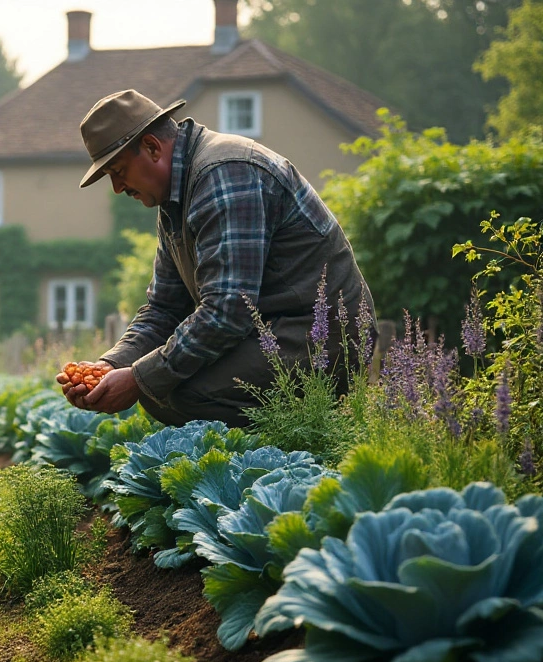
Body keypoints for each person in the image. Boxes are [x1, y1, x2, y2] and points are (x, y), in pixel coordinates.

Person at [58, 89, 374, 427]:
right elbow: (163, 308)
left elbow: (227, 312)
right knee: (155, 384)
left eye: (118, 171)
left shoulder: (225, 174)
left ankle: (286, 461)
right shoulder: (175, 199)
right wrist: (113, 365)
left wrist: (138, 378)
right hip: (268, 332)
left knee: (175, 390)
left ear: (151, 147)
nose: (118, 188)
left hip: (320, 337)